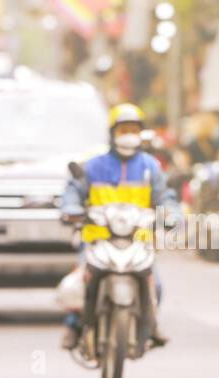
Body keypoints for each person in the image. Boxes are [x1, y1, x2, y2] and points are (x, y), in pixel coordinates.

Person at [60, 103, 176, 350]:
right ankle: (73, 324)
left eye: (134, 129)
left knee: (155, 284)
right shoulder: (93, 165)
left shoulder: (150, 166)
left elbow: (164, 196)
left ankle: (151, 324)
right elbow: (73, 191)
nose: (129, 135)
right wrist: (71, 210)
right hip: (97, 238)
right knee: (83, 281)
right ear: (112, 133)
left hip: (138, 240)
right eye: (124, 129)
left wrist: (171, 215)